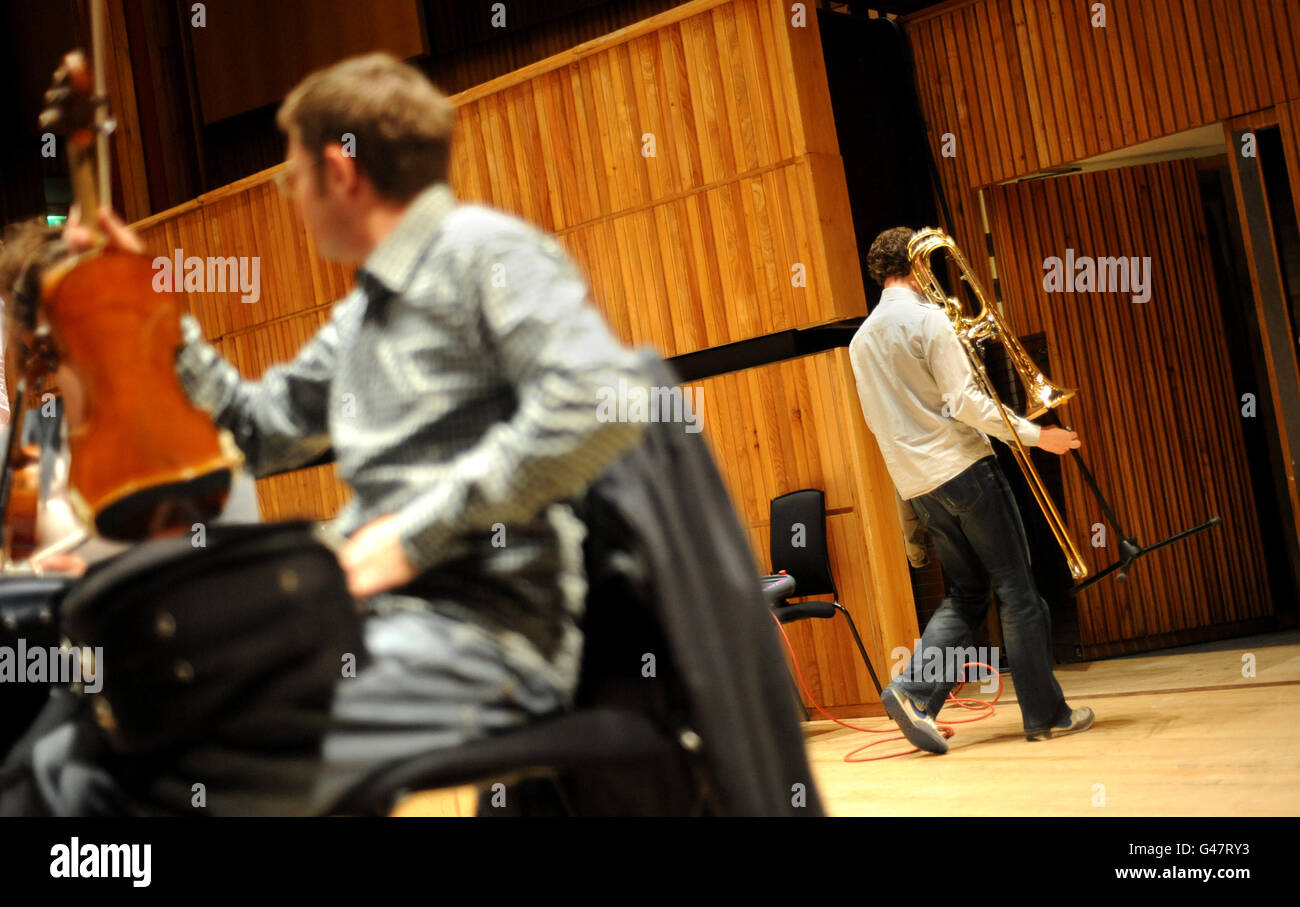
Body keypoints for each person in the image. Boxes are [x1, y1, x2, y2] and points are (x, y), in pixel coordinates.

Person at [2, 52, 649, 814]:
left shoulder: (484, 254)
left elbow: (602, 397)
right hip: (369, 623)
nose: (290, 197)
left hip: (484, 638)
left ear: (340, 171)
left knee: (180, 753)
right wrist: (157, 309)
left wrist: (413, 536)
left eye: (289, 176)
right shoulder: (363, 314)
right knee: (98, 724)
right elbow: (257, 428)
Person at [849, 226, 1094, 754]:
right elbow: (966, 404)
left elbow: (878, 422)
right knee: (1018, 590)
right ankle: (1046, 715)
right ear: (920, 266)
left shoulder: (860, 341)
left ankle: (912, 691)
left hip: (918, 483)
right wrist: (1037, 436)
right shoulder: (930, 319)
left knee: (966, 593)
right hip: (964, 468)